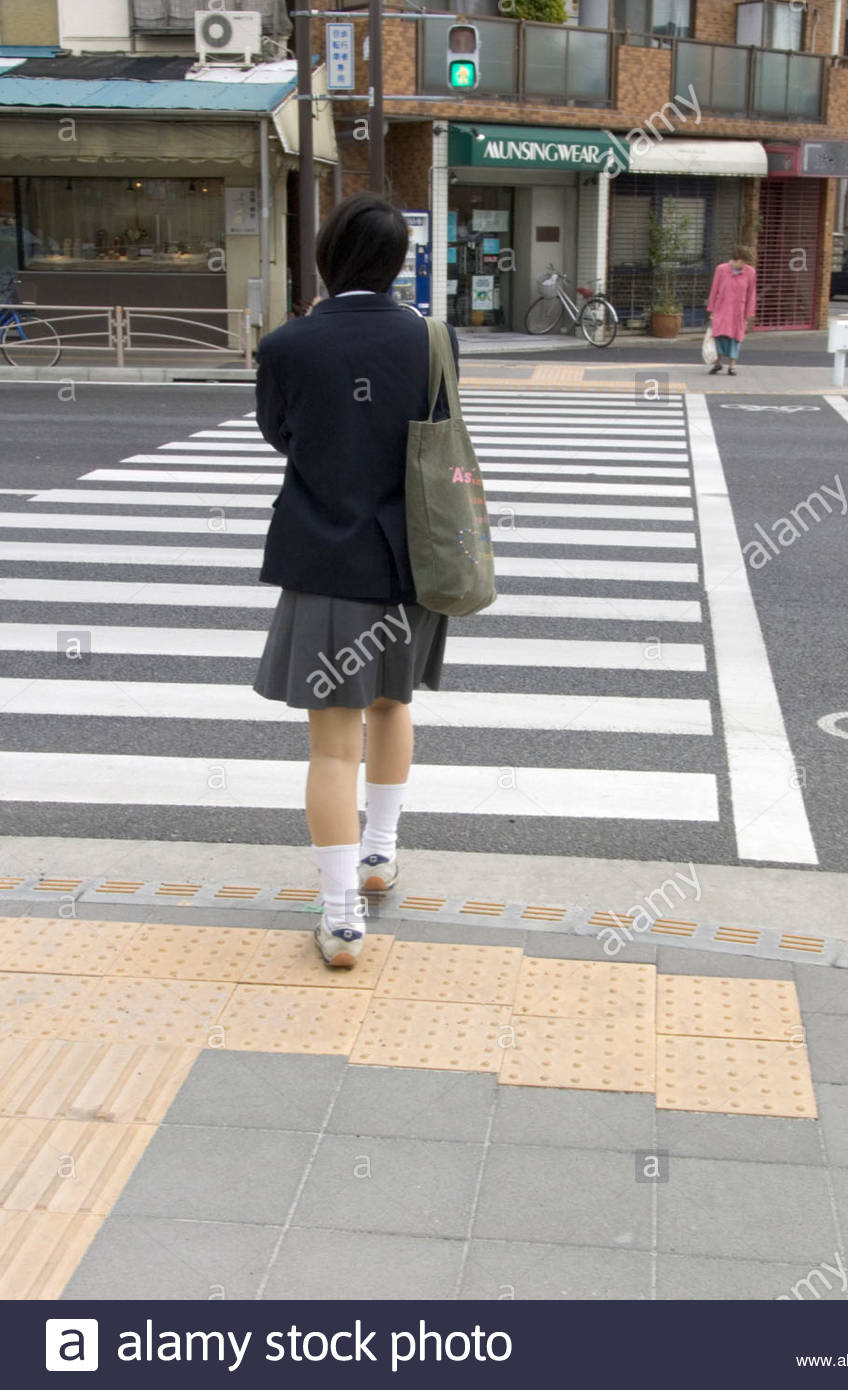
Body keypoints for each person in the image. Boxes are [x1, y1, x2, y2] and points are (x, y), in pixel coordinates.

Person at [252, 193, 457, 970]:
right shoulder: (434, 338)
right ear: (398, 260)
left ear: (326, 259)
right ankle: (380, 856)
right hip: (414, 563)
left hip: (326, 560)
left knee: (332, 746)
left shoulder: (287, 346)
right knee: (392, 704)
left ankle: (340, 922)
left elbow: (283, 435)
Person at [706, 245, 757, 376]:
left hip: (738, 311)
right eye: (742, 261)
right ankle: (718, 363)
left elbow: (751, 293)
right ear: (736, 259)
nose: (744, 265)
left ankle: (732, 366)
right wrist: (711, 309)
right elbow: (714, 289)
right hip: (721, 308)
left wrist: (749, 312)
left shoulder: (750, 272)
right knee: (719, 336)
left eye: (746, 262)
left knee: (736, 337)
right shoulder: (721, 269)